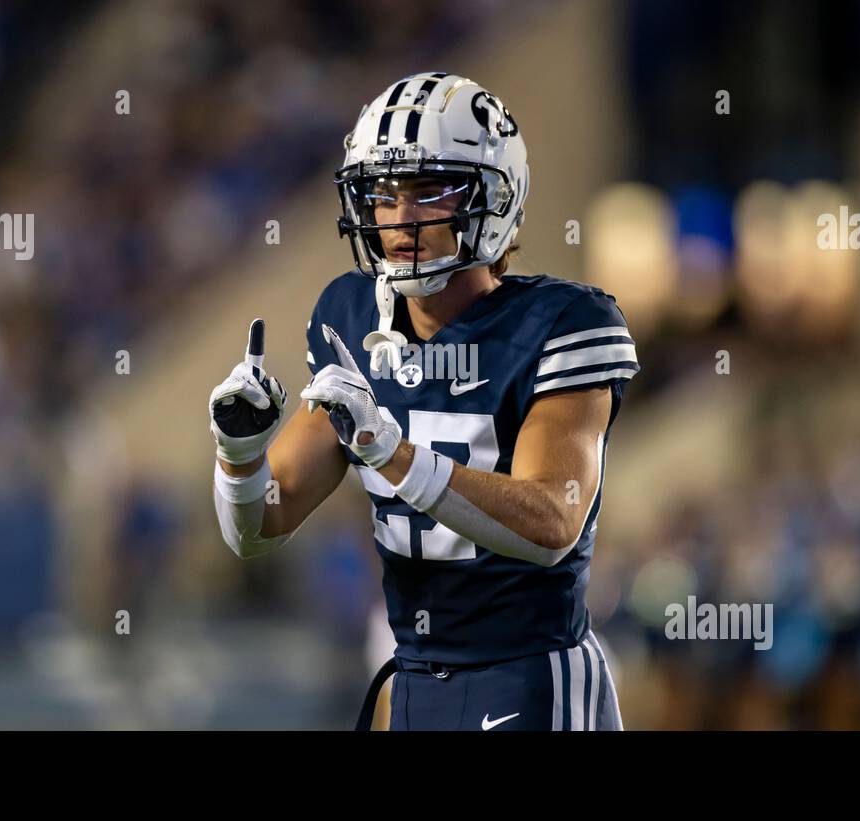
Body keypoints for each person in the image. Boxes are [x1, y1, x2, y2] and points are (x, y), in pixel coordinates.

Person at [211, 73, 637, 730]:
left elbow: (553, 522)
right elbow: (260, 526)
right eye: (382, 193)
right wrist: (238, 454)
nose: (400, 217)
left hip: (530, 673)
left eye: (428, 190)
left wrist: (391, 450)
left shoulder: (564, 322)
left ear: (493, 196)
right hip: (415, 678)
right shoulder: (351, 316)